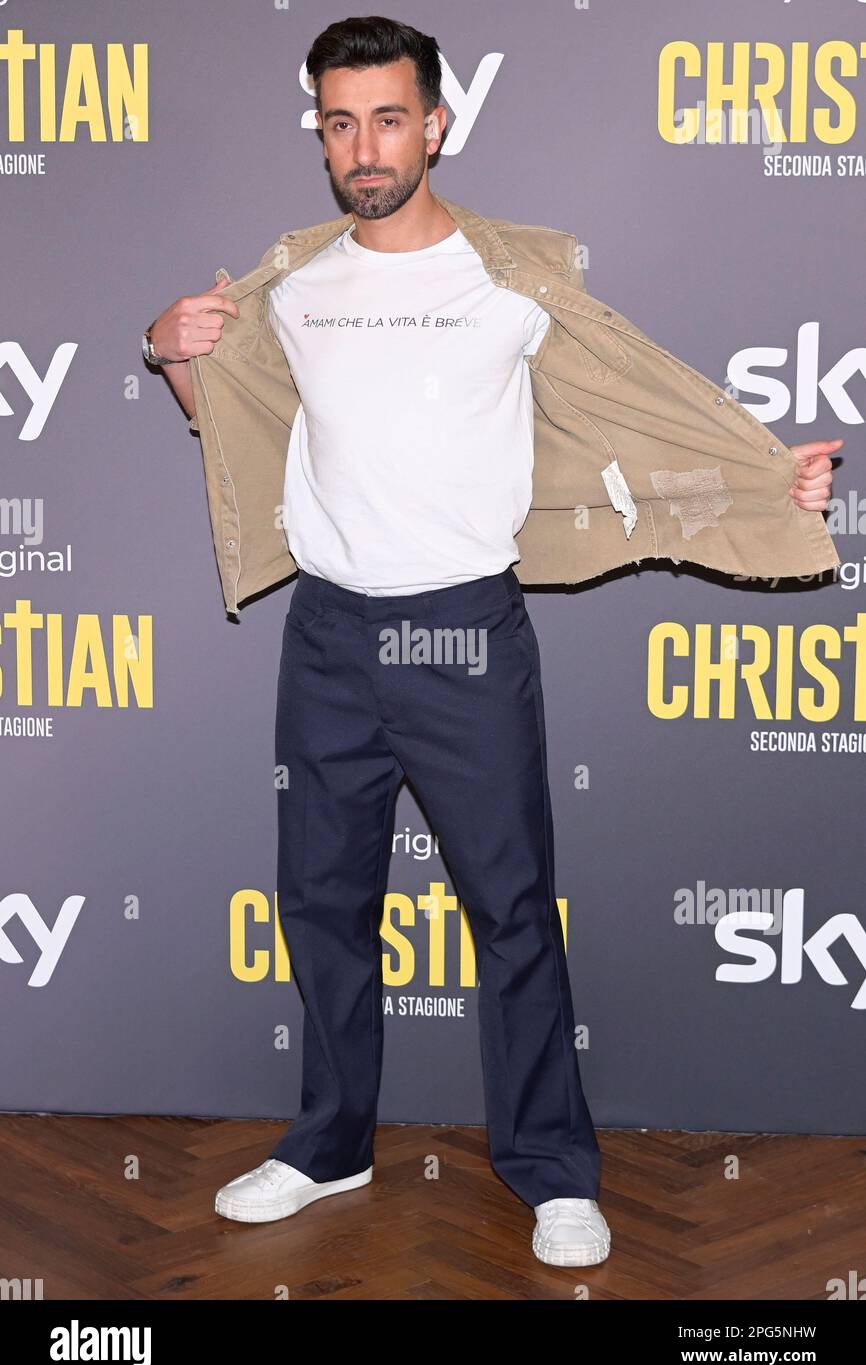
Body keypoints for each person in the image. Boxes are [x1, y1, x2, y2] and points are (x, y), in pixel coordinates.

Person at [144, 16, 837, 1270]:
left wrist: (754, 481)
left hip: (462, 629)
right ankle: (328, 1141)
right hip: (328, 634)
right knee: (322, 903)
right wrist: (169, 350)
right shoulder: (289, 282)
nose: (364, 146)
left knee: (510, 910)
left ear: (436, 125)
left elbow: (637, 407)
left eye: (389, 117)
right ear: (321, 130)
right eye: (340, 121)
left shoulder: (511, 279)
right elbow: (229, 421)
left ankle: (553, 1169)